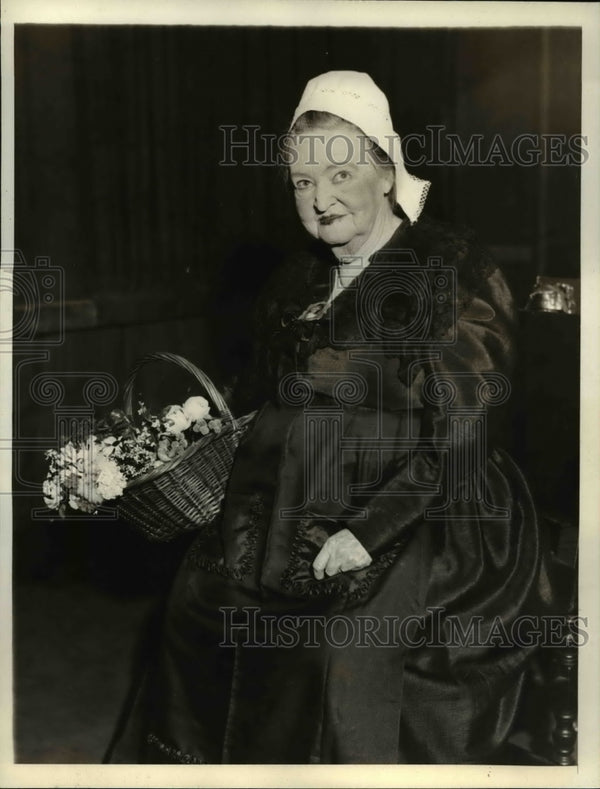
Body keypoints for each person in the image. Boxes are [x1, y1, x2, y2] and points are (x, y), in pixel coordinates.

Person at [107, 71, 557, 764]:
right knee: (198, 601)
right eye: (301, 183)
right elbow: (262, 399)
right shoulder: (297, 279)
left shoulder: (446, 268)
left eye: (341, 173)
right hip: (291, 503)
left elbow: (462, 431)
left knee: (339, 649)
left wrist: (365, 532)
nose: (320, 200)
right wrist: (166, 442)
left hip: (428, 508)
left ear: (385, 171)